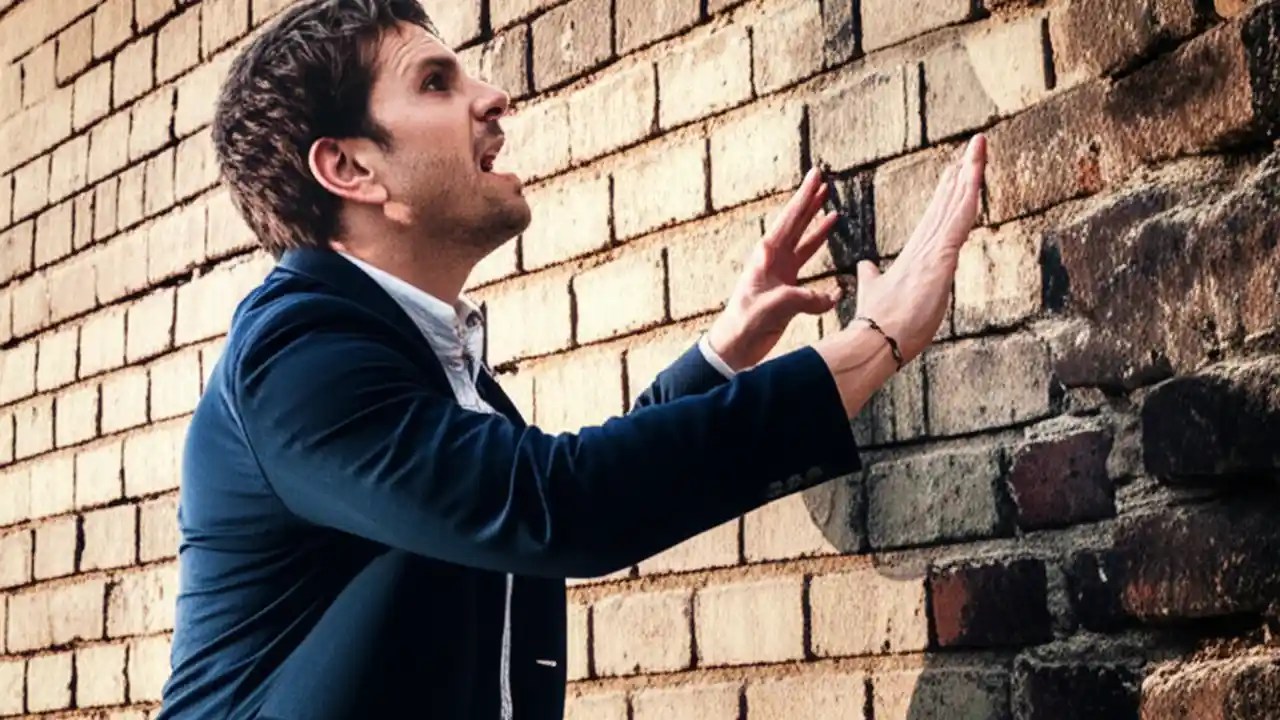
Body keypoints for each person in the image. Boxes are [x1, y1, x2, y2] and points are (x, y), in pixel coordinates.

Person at [156, 0, 987, 717]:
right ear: (349, 167)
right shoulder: (294, 357)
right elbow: (560, 505)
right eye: (436, 83)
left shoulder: (406, 354)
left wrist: (723, 352)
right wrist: (874, 343)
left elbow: (536, 489)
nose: (493, 97)